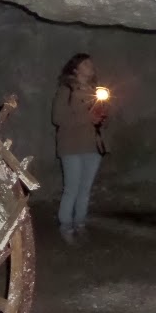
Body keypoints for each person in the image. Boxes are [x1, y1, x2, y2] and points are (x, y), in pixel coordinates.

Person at [52, 53, 108, 241]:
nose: (91, 66)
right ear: (76, 69)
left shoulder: (96, 90)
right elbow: (58, 118)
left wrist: (102, 118)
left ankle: (80, 223)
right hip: (72, 145)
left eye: (91, 63)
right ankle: (66, 226)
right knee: (72, 188)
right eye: (86, 64)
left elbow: (100, 118)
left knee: (85, 188)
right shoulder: (66, 90)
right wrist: (87, 118)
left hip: (92, 145)